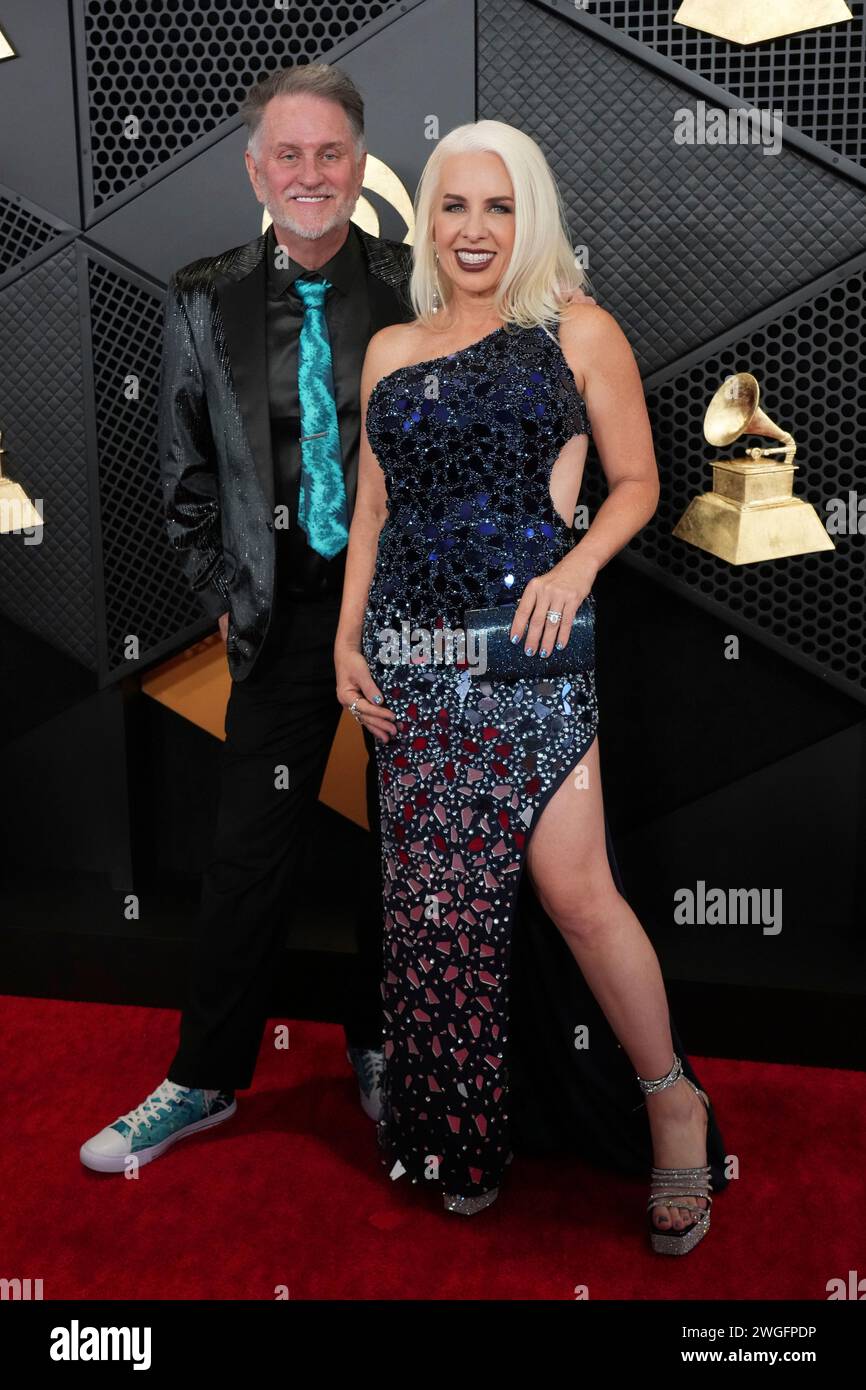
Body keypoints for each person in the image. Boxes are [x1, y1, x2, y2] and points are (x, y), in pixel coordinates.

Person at [334, 119, 728, 1253]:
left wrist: (572, 564)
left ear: (530, 216)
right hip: (407, 665)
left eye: (496, 207)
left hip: (527, 655)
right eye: (451, 206)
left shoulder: (574, 329)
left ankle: (671, 1109)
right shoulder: (391, 350)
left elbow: (640, 480)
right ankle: (455, 1135)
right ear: (428, 220)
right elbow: (372, 513)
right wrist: (346, 642)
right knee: (434, 914)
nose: (471, 229)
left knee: (575, 892)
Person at [79, 62, 418, 1172]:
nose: (309, 173)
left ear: (360, 166)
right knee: (244, 859)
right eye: (289, 154)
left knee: (397, 848)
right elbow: (179, 476)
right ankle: (204, 1077)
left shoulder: (415, 284)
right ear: (254, 168)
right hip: (275, 618)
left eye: (330, 153)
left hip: (397, 615)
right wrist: (226, 596)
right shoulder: (199, 294)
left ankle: (383, 1046)